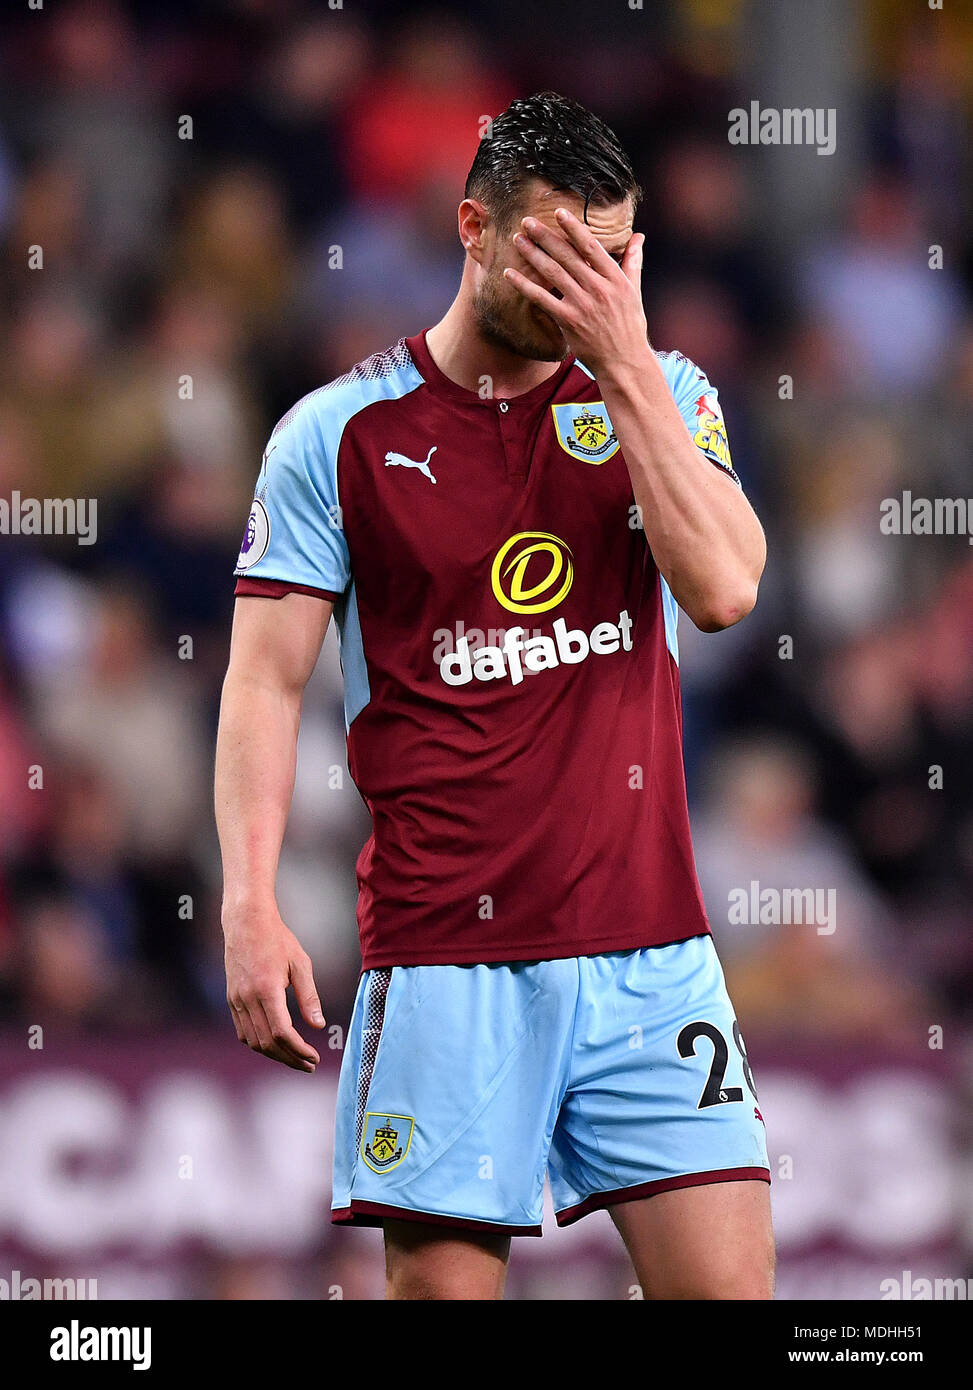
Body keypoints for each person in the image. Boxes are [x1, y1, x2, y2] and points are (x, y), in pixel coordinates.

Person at [215, 93, 772, 1300]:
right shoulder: (338, 434)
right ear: (473, 225)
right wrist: (249, 902)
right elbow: (264, 681)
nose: (591, 283)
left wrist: (622, 370)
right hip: (444, 961)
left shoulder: (663, 394)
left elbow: (724, 589)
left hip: (650, 951)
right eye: (559, 252)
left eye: (614, 256)